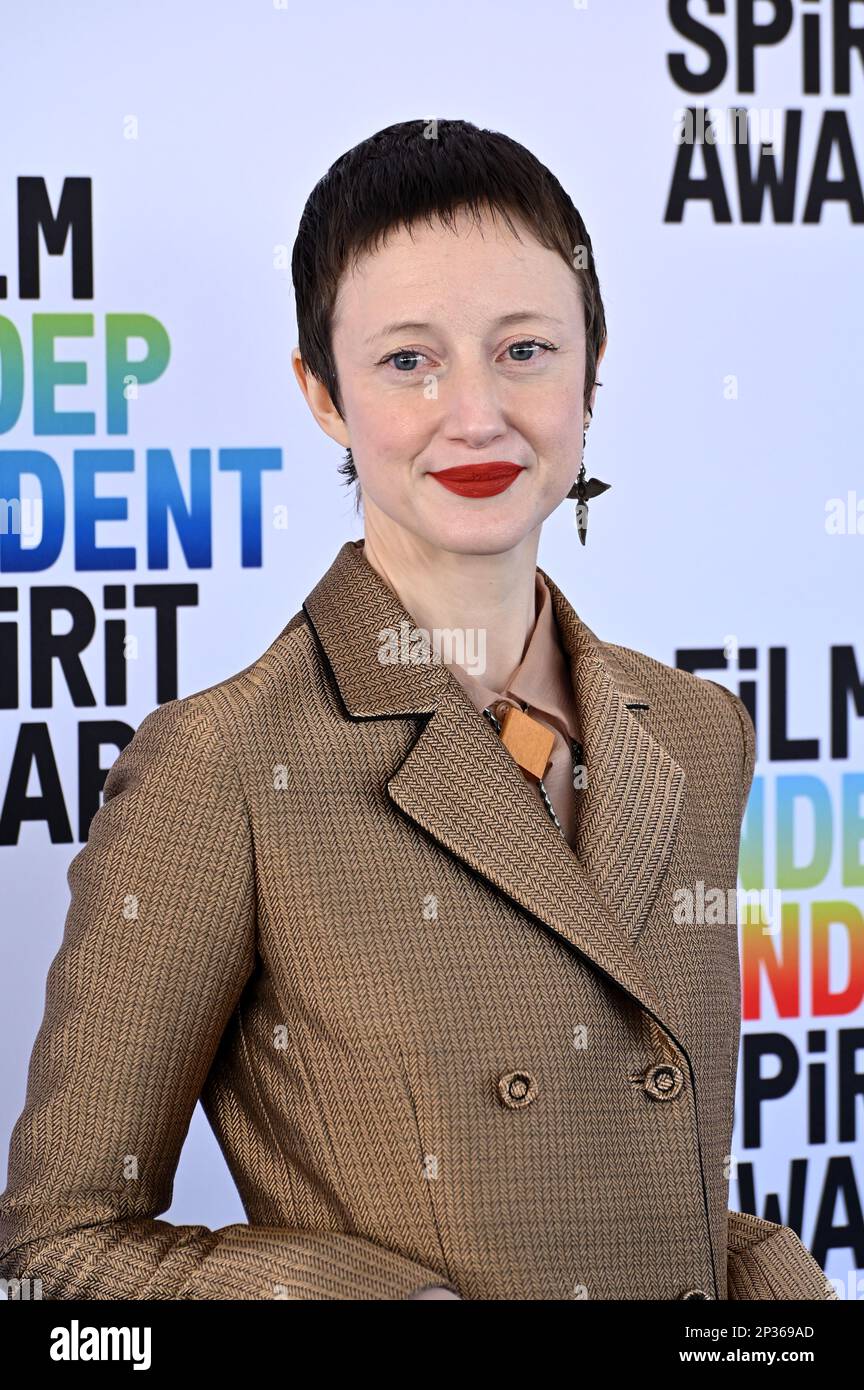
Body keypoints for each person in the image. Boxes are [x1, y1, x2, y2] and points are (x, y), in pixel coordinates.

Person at [0, 118, 836, 1301]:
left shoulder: (698, 730)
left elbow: (644, 1183)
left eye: (526, 349)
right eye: (408, 361)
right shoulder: (224, 764)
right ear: (323, 395)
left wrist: (770, 1294)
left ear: (594, 366)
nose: (477, 413)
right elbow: (50, 1264)